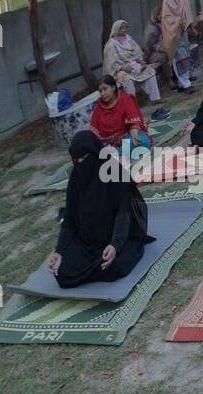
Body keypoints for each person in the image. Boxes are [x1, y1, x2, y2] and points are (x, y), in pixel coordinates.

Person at [45, 130, 152, 288]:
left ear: (94, 153)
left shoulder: (114, 172)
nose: (80, 163)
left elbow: (124, 213)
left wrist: (115, 245)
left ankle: (99, 265)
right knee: (61, 271)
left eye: (83, 158)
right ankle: (92, 267)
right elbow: (70, 220)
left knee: (116, 265)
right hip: (87, 241)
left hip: (119, 237)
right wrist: (59, 251)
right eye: (76, 160)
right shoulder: (76, 178)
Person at [102, 20, 161, 103]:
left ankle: (155, 98)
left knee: (150, 72)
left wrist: (140, 61)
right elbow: (110, 63)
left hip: (134, 66)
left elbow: (136, 52)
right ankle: (133, 105)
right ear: (116, 29)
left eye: (126, 27)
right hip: (120, 70)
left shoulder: (128, 38)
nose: (124, 29)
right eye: (122, 28)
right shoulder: (111, 44)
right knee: (127, 80)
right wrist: (122, 67)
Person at [89, 75, 152, 150]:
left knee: (142, 141)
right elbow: (93, 132)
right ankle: (120, 154)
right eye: (100, 91)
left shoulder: (126, 99)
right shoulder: (99, 108)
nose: (102, 93)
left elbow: (134, 123)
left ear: (113, 87)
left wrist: (134, 135)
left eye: (105, 89)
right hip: (111, 144)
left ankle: (120, 155)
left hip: (131, 135)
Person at [159, 0, 196, 92]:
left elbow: (187, 13)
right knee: (179, 57)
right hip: (174, 35)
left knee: (185, 54)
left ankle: (182, 82)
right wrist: (177, 22)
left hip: (183, 32)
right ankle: (186, 84)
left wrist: (191, 27)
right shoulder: (167, 1)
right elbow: (166, 19)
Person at [143, 9, 169, 73]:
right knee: (163, 57)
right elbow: (149, 45)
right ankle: (168, 80)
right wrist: (160, 48)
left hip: (164, 48)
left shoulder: (163, 24)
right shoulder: (151, 28)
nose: (161, 16)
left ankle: (179, 76)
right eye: (159, 14)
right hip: (152, 54)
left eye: (162, 14)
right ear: (155, 16)